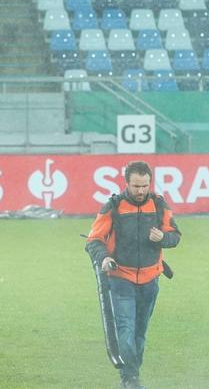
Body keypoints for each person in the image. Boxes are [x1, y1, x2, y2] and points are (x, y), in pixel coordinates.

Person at [85, 161, 180, 389]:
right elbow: (93, 240)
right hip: (121, 280)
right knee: (126, 332)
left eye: (145, 185)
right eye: (136, 186)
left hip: (150, 281)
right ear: (126, 183)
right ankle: (131, 380)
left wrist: (163, 239)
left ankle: (131, 375)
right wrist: (104, 259)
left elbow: (175, 236)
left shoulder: (160, 206)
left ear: (150, 183)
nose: (140, 191)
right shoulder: (113, 207)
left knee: (139, 334)